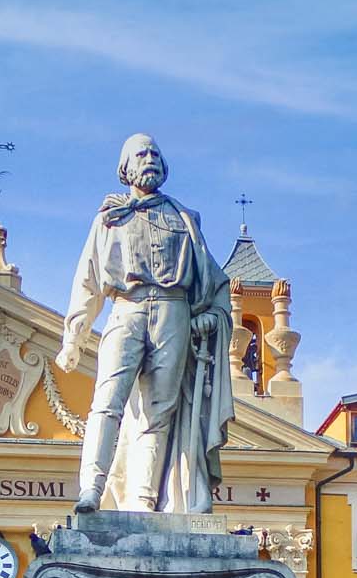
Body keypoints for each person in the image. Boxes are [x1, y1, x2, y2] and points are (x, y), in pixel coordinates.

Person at [57, 134, 235, 514]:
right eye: (142, 153)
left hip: (174, 312)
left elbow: (215, 282)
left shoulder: (184, 218)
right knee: (107, 402)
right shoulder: (109, 218)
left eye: (155, 153)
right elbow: (88, 279)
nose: (150, 159)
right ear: (126, 167)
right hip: (126, 307)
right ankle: (91, 488)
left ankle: (144, 500)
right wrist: (74, 337)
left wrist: (207, 316)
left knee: (160, 412)